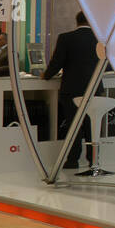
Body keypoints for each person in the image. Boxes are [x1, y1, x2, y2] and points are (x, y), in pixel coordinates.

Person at [41, 12, 101, 169]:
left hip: (72, 88)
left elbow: (57, 62)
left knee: (74, 125)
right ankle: (93, 159)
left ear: (77, 21)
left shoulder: (66, 38)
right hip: (94, 88)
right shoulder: (100, 39)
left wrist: (46, 76)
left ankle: (73, 160)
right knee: (91, 126)